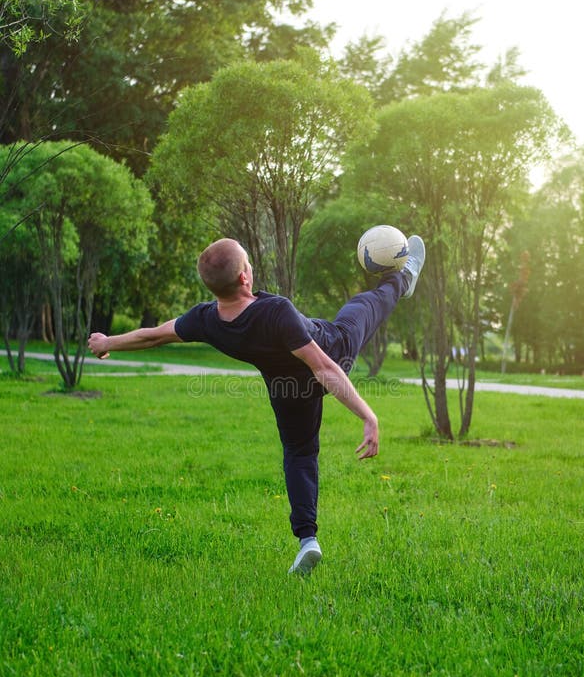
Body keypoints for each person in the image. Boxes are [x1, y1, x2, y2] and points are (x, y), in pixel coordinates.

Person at [88, 234, 426, 576]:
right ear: (244, 277)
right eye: (248, 262)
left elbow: (154, 335)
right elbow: (323, 367)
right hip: (334, 351)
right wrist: (368, 415)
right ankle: (404, 276)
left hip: (287, 389)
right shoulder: (275, 311)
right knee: (367, 303)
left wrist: (107, 342)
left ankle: (307, 540)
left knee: (300, 454)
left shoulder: (206, 320)